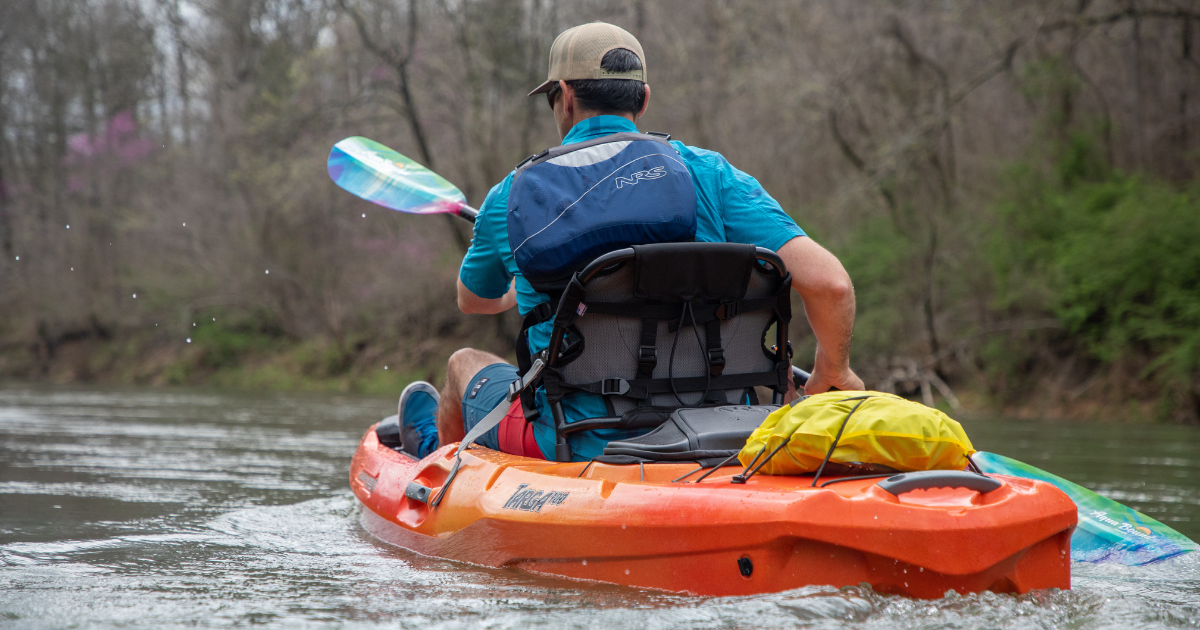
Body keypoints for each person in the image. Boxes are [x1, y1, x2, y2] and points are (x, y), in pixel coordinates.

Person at [397, 21, 864, 461]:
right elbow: (832, 286)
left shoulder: (510, 196)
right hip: (727, 426)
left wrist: (514, 293)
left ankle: (436, 467)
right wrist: (834, 372)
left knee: (463, 364)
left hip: (573, 438)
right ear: (642, 99)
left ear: (563, 97)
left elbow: (473, 300)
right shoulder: (712, 174)